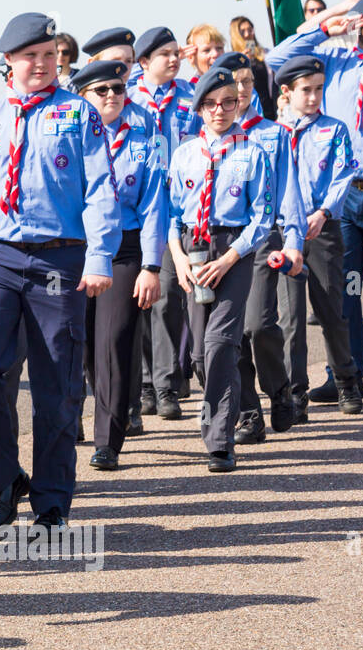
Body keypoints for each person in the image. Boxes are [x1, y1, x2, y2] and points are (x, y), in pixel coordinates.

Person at [0, 12, 121, 533]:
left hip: (59, 256)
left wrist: (99, 255)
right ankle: (1, 482)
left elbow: (99, 189)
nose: (41, 65)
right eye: (30, 57)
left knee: (57, 379)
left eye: (49, 55)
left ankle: (51, 501)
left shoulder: (78, 114)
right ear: (9, 62)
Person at [269, 0, 363, 403]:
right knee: (339, 293)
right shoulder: (332, 59)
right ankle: (344, 373)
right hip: (338, 204)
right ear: (359, 22)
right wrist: (331, 16)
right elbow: (278, 59)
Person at [165, 66, 274, 472]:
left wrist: (230, 258)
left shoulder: (252, 152)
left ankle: (219, 440)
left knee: (221, 343)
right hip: (193, 247)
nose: (220, 110)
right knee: (198, 355)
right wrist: (177, 258)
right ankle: (246, 407)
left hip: (234, 249)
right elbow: (171, 215)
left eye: (229, 101)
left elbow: (262, 215)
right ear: (199, 108)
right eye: (211, 104)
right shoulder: (184, 154)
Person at [71, 61, 166, 470]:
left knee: (113, 340)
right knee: (78, 344)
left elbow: (154, 204)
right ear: (82, 97)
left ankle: (108, 440)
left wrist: (152, 265)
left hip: (126, 249)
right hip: (76, 248)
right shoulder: (67, 140)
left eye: (118, 88)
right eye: (101, 89)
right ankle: (71, 419)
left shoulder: (147, 141)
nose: (112, 95)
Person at [214, 51, 304, 441]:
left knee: (259, 324)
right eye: (233, 83)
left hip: (263, 240)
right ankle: (249, 412)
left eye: (248, 82)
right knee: (229, 333)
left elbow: (290, 194)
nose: (242, 90)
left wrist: (295, 241)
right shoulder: (207, 139)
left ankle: (279, 389)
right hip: (221, 242)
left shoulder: (274, 134)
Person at [272, 55, 361, 414]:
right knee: (289, 317)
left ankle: (345, 380)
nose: (313, 97)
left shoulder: (334, 129)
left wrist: (323, 213)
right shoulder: (273, 132)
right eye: (305, 90)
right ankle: (295, 391)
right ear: (286, 91)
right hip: (284, 231)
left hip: (322, 229)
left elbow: (344, 174)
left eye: (319, 89)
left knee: (331, 310)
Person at [129, 26, 200, 421]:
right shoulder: (130, 100)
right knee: (137, 300)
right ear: (144, 62)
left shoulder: (191, 98)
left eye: (176, 53)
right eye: (164, 55)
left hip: (175, 207)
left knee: (168, 297)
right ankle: (143, 385)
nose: (174, 60)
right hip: (137, 207)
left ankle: (168, 384)